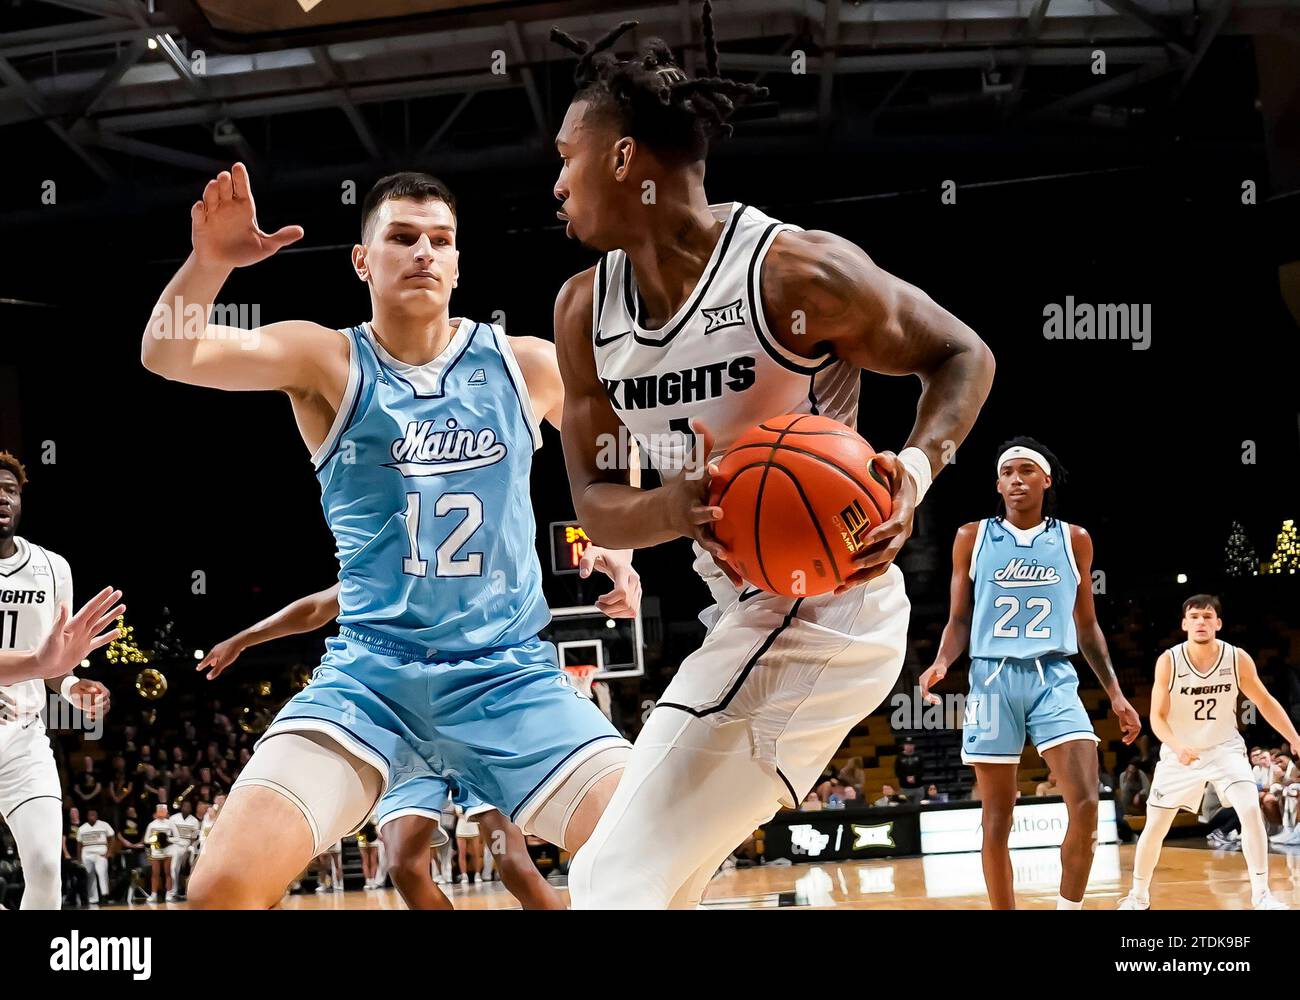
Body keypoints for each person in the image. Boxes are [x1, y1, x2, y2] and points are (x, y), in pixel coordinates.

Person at [550, 1, 994, 910]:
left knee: (611, 879)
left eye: (567, 157)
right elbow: (596, 502)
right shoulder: (580, 313)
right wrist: (677, 508)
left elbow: (963, 356)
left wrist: (910, 472)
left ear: (623, 158)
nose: (556, 183)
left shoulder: (793, 273)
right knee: (650, 883)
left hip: (829, 609)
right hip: (745, 614)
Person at [143, 167, 639, 908]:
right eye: (402, 238)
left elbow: (609, 457)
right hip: (371, 679)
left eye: (441, 240)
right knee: (218, 891)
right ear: (362, 259)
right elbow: (168, 354)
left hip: (509, 675)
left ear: (460, 262)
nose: (424, 254)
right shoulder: (326, 360)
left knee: (656, 861)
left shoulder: (523, 362)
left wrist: (618, 546)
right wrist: (210, 262)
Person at [198, 578, 614, 911]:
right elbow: (317, 607)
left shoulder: (485, 569)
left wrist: (613, 550)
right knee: (404, 867)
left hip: (478, 707)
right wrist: (243, 639)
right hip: (392, 718)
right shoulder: (381, 567)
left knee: (514, 864)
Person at [921, 437, 1141, 909]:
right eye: (1007, 473)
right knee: (997, 818)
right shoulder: (972, 536)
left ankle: (1069, 907)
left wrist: (1117, 694)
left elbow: (1087, 625)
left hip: (1054, 678)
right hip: (991, 681)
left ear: (1046, 479)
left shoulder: (1074, 539)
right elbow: (959, 618)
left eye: (1025, 471)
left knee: (1085, 805)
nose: (1015, 480)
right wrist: (941, 661)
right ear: (997, 484)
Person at [1118, 595, 1299, 910]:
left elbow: (1265, 701)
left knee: (1250, 810)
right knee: (1155, 826)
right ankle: (1138, 897)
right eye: (1194, 616)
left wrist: (1294, 737)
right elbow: (1157, 718)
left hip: (1224, 749)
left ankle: (1262, 895)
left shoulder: (1236, 657)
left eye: (1207, 616)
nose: (1201, 621)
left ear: (1218, 623)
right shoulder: (1169, 660)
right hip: (1180, 753)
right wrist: (1176, 746)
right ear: (1184, 624)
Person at [0, 451, 122, 909]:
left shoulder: (54, 567)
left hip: (23, 739)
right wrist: (39, 662)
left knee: (48, 870)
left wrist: (73, 688)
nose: (2, 496)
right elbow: (41, 660)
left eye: (11, 489)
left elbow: (56, 666)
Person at [75, 807, 114, 905]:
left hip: (100, 854)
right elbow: (79, 844)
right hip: (86, 854)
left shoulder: (104, 825)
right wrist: (79, 859)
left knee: (102, 874)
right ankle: (93, 898)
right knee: (89, 876)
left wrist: (109, 852)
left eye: (94, 814)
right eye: (90, 814)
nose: (92, 816)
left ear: (97, 816)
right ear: (87, 816)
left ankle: (104, 896)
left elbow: (112, 837)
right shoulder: (82, 828)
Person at [143, 804, 175, 903]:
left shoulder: (170, 823)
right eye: (159, 810)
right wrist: (156, 839)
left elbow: (177, 838)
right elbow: (146, 840)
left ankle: (169, 893)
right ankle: (154, 894)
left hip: (168, 850)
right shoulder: (151, 824)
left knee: (168, 872)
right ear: (156, 812)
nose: (161, 813)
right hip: (156, 851)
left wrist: (167, 839)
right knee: (155, 874)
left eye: (163, 810)